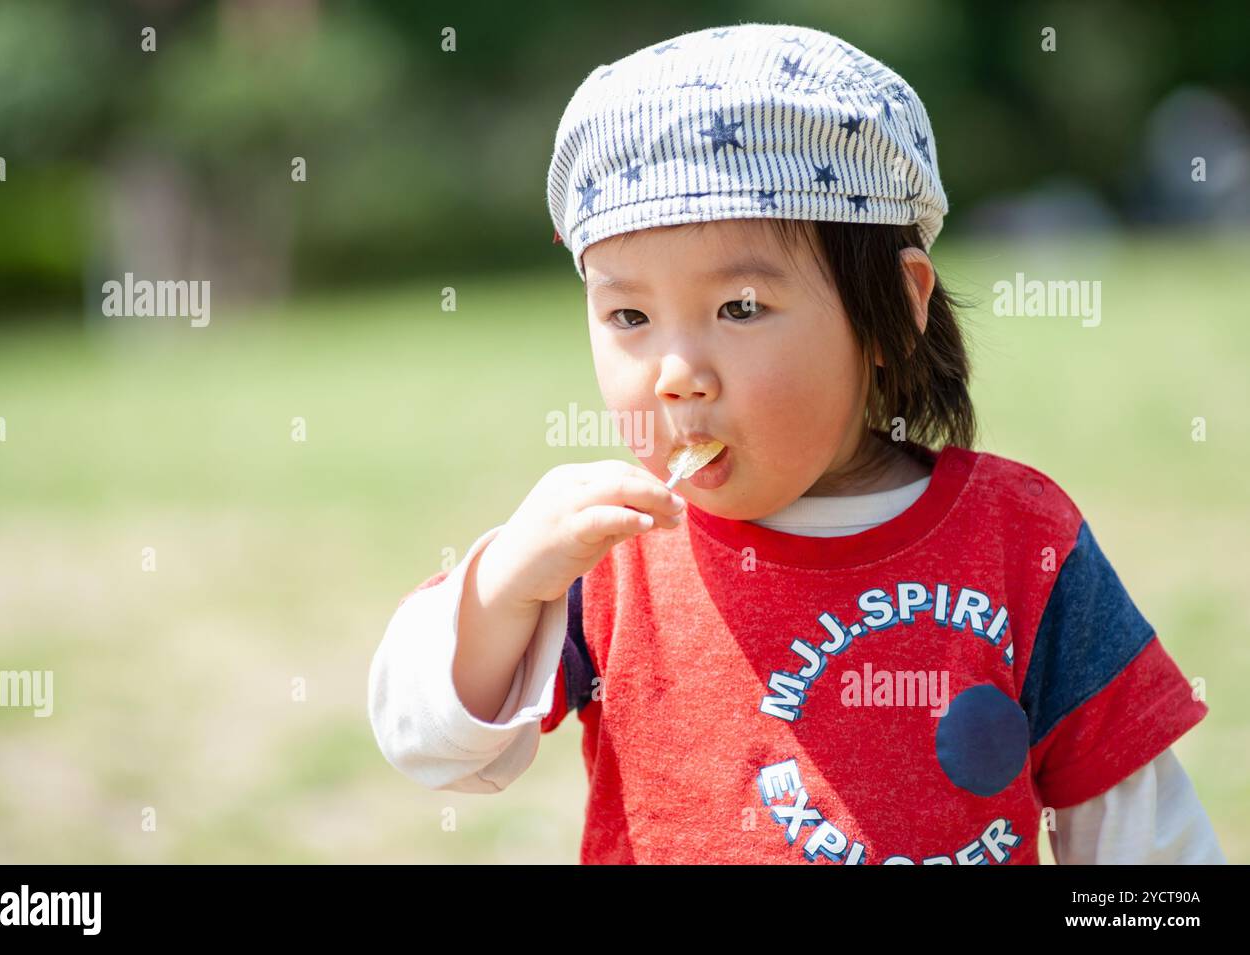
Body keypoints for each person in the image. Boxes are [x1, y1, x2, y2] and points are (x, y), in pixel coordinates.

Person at [367, 22, 1224, 864]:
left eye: (739, 308)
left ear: (897, 307)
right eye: (629, 315)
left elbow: (1146, 844)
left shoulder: (1023, 541)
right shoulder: (609, 556)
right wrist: (505, 583)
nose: (676, 373)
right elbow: (428, 741)